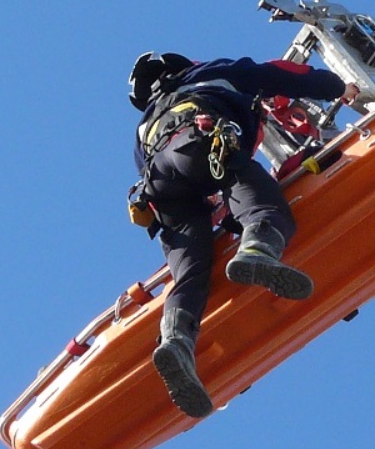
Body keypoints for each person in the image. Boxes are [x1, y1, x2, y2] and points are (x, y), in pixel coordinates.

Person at [128, 52, 359, 419]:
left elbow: (197, 192)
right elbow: (282, 74)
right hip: (199, 140)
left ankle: (176, 339)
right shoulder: (215, 73)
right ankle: (258, 250)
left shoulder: (143, 129)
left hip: (160, 185)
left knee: (190, 272)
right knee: (262, 203)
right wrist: (337, 87)